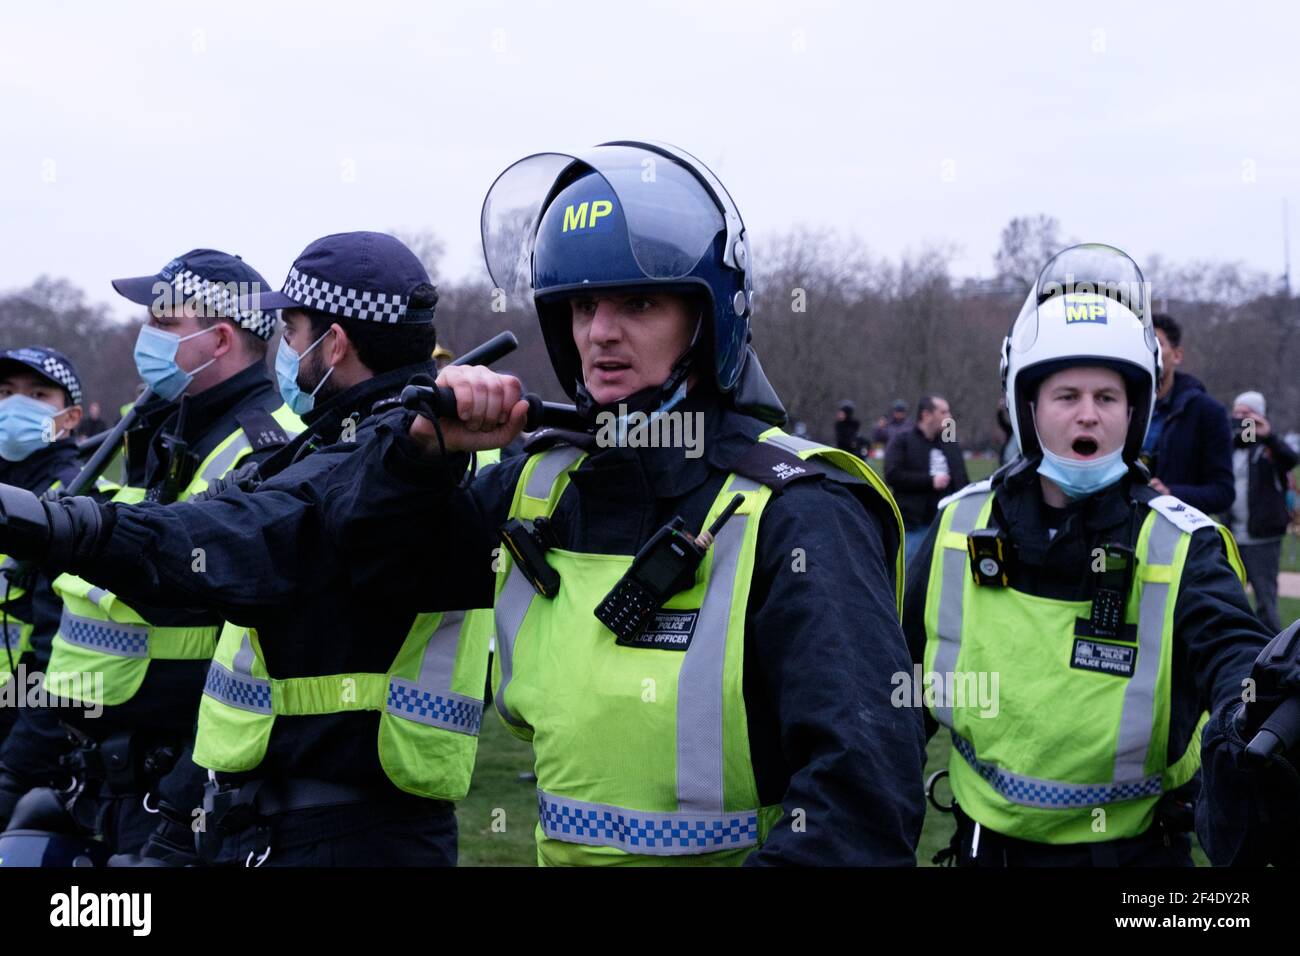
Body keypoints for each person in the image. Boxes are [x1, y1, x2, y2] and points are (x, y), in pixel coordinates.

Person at [318, 141, 925, 866]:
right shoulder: (544, 484)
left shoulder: (798, 510)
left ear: (708, 319)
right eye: (581, 305)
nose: (599, 331)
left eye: (639, 302)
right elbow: (373, 569)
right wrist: (419, 456)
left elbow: (860, 802)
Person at [0, 232, 492, 867]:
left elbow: (220, 546)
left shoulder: (385, 468)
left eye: (290, 332)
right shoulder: (326, 448)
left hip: (348, 830)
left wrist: (48, 523)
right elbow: (250, 657)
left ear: (332, 342)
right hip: (246, 799)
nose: (282, 351)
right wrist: (181, 819)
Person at [904, 244, 1299, 866]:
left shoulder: (1180, 542)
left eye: (1108, 398)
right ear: (1027, 406)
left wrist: (1254, 708)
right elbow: (895, 681)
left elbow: (1231, 649)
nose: (1088, 414)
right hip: (985, 851)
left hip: (1136, 855)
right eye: (1067, 396)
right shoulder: (960, 523)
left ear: (1134, 412)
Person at [0, 250, 300, 855]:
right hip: (97, 774)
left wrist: (183, 799)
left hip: (178, 789)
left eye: (163, 323)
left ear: (219, 340)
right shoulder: (152, 431)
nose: (145, 337)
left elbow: (256, 653)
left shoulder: (269, 449)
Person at [0, 348, 87, 775]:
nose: (14, 405)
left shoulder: (74, 500)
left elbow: (60, 653)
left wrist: (13, 768)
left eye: (36, 394)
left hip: (22, 739)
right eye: (4, 392)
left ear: (70, 418)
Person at [1140, 313, 1233, 514]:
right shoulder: (1115, 406)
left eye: (1156, 342)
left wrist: (1170, 494)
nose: (1148, 350)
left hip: (1175, 534)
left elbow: (1223, 492)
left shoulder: (1208, 412)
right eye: (1141, 342)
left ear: (1177, 355)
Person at [1226, 391, 1299, 634]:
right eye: (1237, 413)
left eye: (1247, 414)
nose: (1240, 418)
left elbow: (1291, 460)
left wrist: (1267, 435)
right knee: (1229, 600)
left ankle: (1273, 658)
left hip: (1262, 539)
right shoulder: (1231, 447)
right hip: (1233, 536)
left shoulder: (1270, 449)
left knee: (1266, 605)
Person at [884, 394, 969, 565]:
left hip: (947, 525)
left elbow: (961, 477)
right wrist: (930, 481)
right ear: (926, 415)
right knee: (909, 579)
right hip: (915, 526)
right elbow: (892, 475)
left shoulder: (948, 440)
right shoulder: (903, 440)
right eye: (943, 412)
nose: (949, 417)